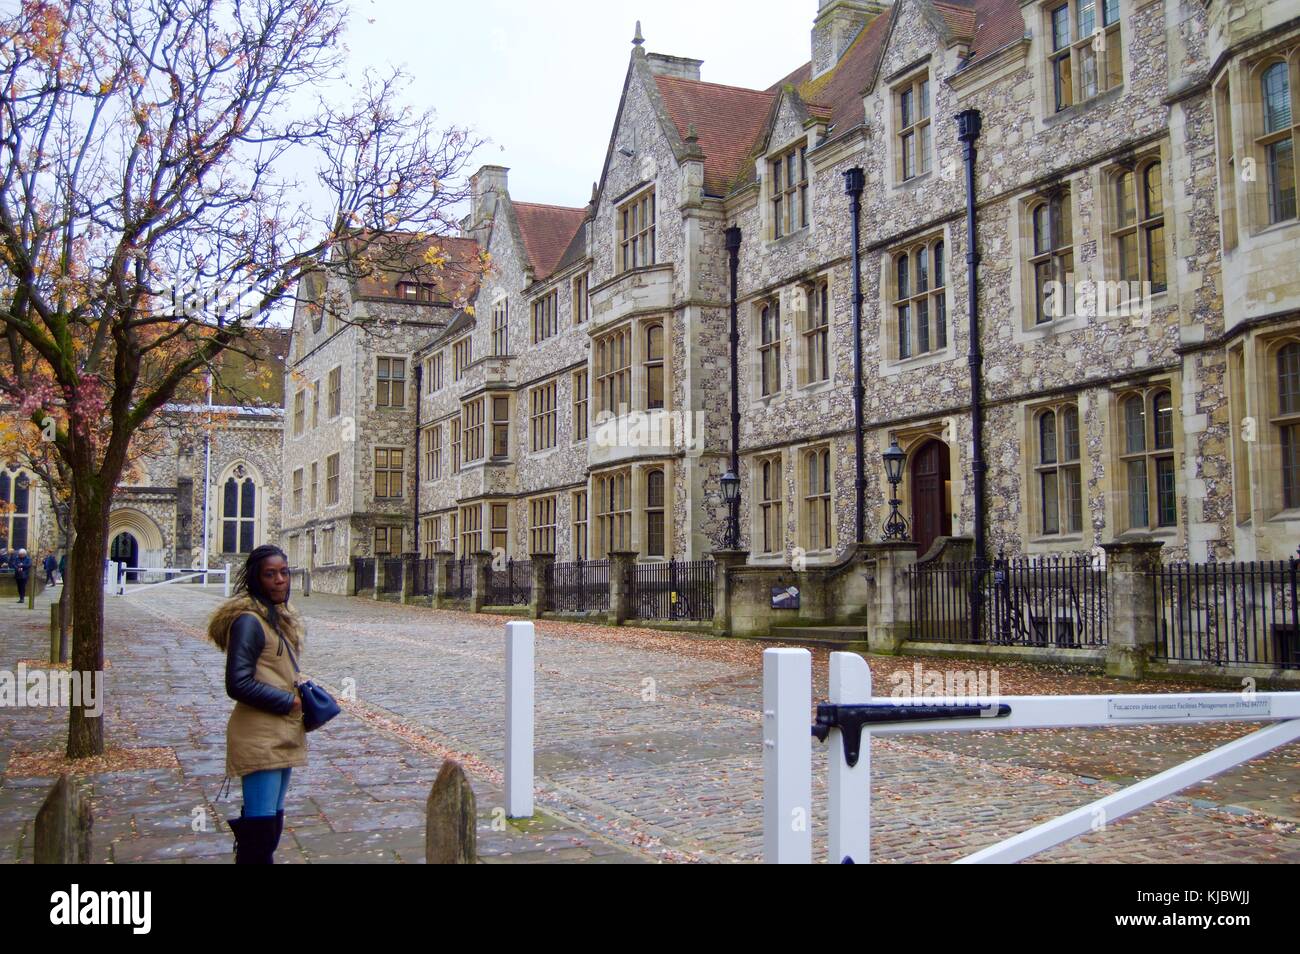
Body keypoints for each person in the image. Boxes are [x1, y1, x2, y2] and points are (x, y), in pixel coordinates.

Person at [207, 544, 306, 864]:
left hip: (283, 733)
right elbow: (237, 683)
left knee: (271, 827)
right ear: (255, 579)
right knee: (260, 832)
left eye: (284, 572)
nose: (280, 580)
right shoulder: (249, 621)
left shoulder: (276, 619)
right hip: (259, 734)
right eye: (270, 574)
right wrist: (288, 701)